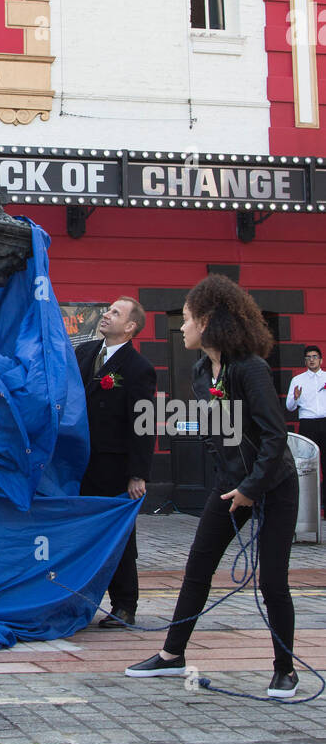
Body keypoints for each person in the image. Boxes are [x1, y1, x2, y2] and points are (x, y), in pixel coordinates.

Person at [127, 274, 300, 698]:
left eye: (186, 319)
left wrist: (252, 489)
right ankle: (172, 655)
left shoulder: (251, 368)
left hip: (273, 484)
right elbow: (217, 425)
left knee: (272, 580)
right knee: (197, 567)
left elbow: (275, 437)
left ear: (206, 322)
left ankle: (285, 670)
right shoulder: (203, 370)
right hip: (229, 485)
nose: (181, 327)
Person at [77, 297, 156, 627]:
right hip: (80, 460)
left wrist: (138, 474)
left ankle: (125, 604)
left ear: (130, 327)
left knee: (119, 535)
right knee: (82, 531)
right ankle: (79, 599)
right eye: (107, 310)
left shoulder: (139, 369)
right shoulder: (84, 352)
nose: (106, 315)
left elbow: (144, 424)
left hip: (114, 465)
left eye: (115, 313)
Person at [285, 345, 326, 513]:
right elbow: (289, 407)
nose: (312, 359)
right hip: (308, 424)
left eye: (315, 356)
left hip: (325, 421)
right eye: (308, 357)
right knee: (307, 465)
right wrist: (295, 398)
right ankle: (307, 509)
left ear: (321, 359)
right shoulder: (298, 380)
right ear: (305, 361)